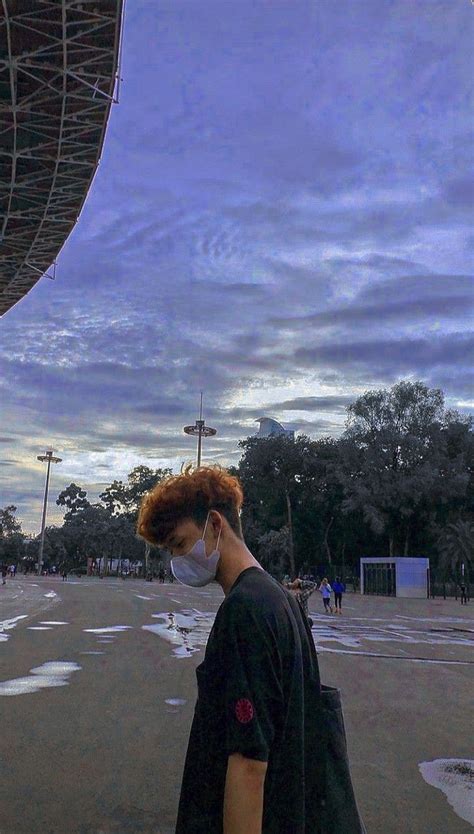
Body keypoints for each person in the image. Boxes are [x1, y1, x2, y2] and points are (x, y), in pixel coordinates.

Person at [137, 466, 332, 834]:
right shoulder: (283, 601)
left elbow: (249, 764)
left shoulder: (245, 610)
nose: (177, 561)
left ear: (215, 524)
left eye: (179, 544)